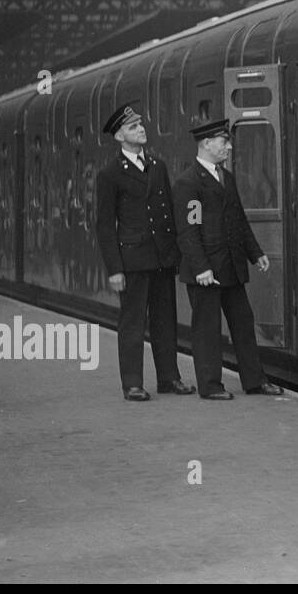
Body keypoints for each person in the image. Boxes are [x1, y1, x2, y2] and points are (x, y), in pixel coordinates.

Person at [172, 119, 283, 400]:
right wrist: (201, 268)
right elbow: (188, 231)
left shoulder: (227, 178)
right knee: (207, 330)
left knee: (244, 325)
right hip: (207, 271)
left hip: (231, 266)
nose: (229, 147)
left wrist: (255, 253)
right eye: (224, 142)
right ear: (206, 144)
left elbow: (238, 220)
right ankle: (210, 386)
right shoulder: (188, 183)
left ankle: (255, 381)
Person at [93, 104, 193, 401]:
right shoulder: (110, 174)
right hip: (132, 259)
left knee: (165, 320)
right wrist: (114, 269)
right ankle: (133, 383)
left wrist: (175, 253)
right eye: (134, 127)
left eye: (141, 125)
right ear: (120, 136)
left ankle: (169, 378)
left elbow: (167, 213)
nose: (141, 130)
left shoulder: (157, 165)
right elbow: (104, 226)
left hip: (161, 257)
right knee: (133, 322)